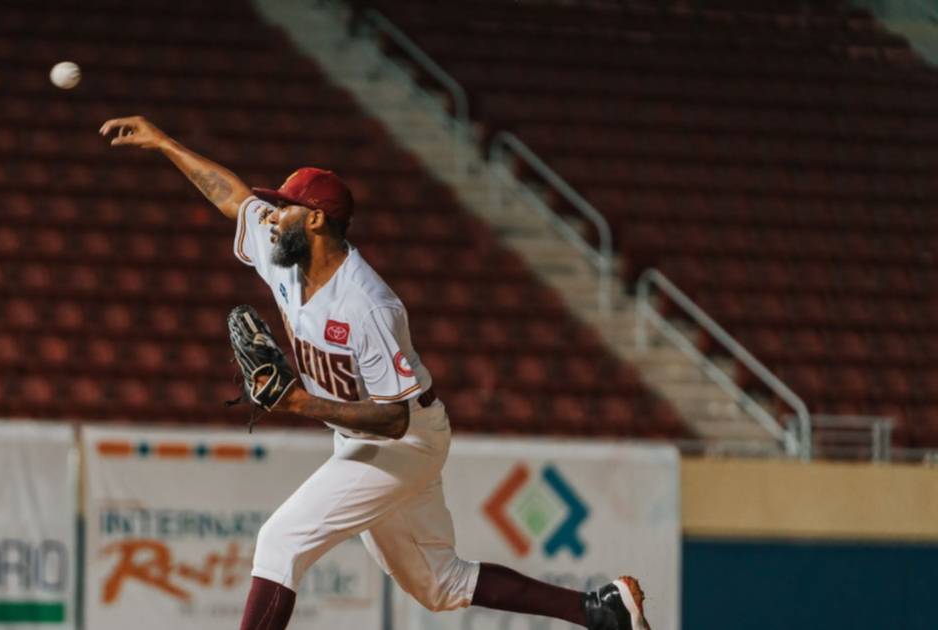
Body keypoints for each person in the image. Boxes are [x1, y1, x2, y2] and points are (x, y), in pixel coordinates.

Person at [100, 116, 652, 630]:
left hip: (404, 439)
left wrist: (299, 403)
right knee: (439, 584)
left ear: (316, 219)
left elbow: (394, 419)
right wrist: (164, 143)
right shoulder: (285, 253)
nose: (272, 214)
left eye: (285, 207)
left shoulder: (368, 305)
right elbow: (234, 198)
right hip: (366, 437)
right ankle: (601, 610)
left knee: (279, 543)